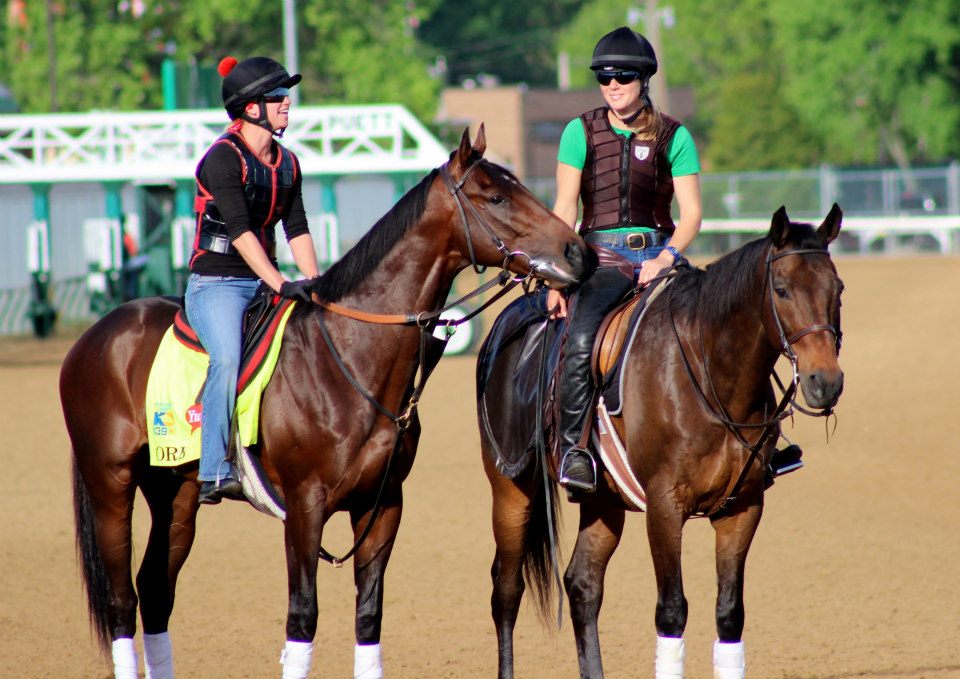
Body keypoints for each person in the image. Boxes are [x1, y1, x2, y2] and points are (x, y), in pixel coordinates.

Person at [550, 27, 703, 492]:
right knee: (581, 339)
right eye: (604, 77)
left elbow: (692, 214)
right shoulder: (578, 131)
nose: (613, 85)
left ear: (644, 79)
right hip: (601, 259)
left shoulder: (675, 136)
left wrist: (667, 257)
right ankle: (573, 450)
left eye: (623, 76)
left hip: (661, 254)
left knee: (724, 318)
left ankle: (760, 442)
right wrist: (557, 278)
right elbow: (564, 209)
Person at [186, 55, 321, 505]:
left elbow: (297, 228)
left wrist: (315, 281)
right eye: (277, 96)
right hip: (216, 285)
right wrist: (281, 283)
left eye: (286, 95)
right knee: (227, 358)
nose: (287, 102)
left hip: (264, 282)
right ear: (250, 108)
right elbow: (241, 232)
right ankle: (213, 469)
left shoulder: (289, 163)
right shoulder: (221, 158)